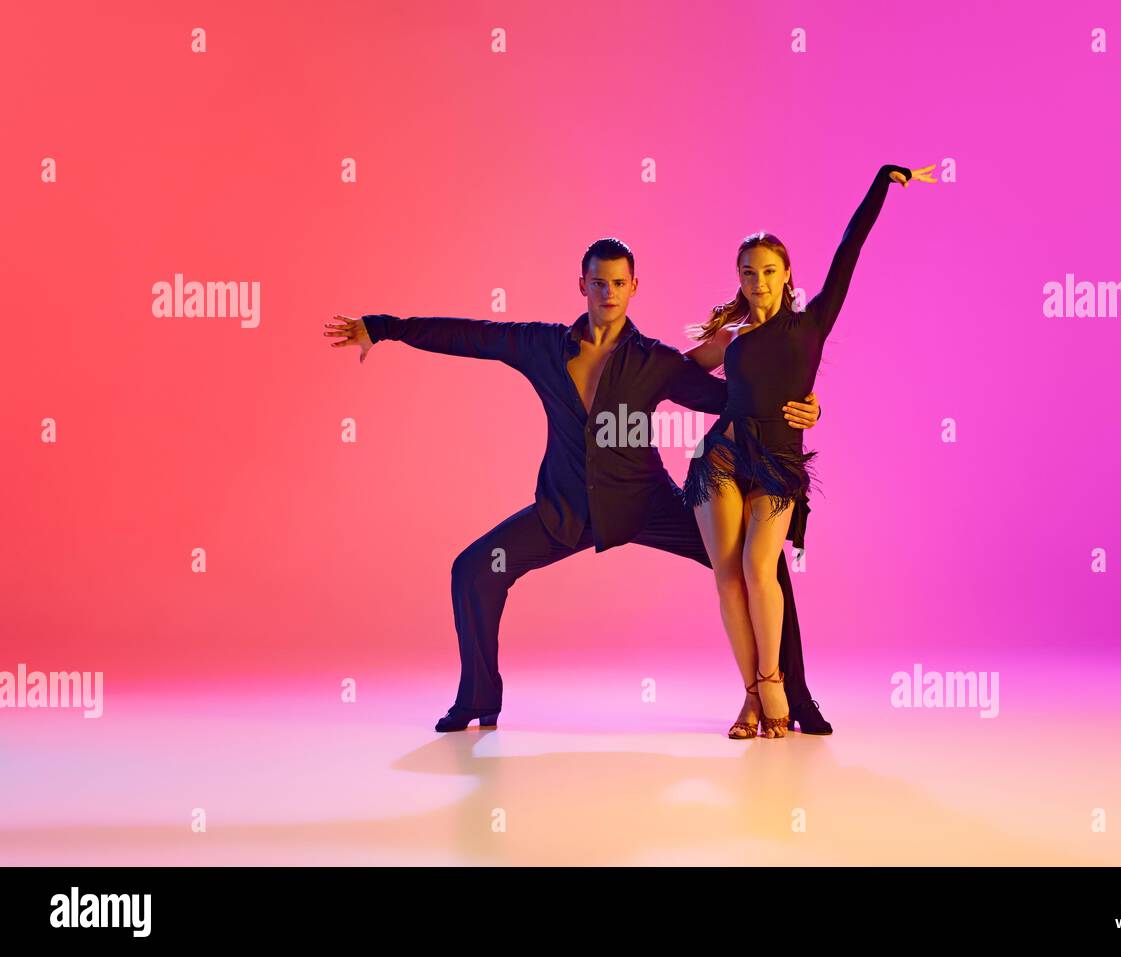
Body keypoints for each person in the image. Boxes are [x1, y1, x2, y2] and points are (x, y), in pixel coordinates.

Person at [324, 238, 837, 733]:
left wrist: (800, 409)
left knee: (761, 568)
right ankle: (478, 695)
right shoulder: (542, 345)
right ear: (582, 285)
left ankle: (794, 696)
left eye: (618, 282)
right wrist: (382, 327)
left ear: (634, 286)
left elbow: (734, 398)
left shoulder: (654, 362)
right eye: (598, 283)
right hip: (565, 510)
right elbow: (470, 335)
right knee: (474, 569)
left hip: (647, 506)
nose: (608, 293)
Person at [682, 163, 936, 738]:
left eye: (769, 271)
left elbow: (851, 249)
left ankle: (772, 682)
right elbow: (677, 374)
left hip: (776, 461)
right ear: (739, 279)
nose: (759, 281)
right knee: (726, 574)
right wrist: (618, 363)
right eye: (749, 273)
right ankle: (749, 699)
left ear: (786, 273)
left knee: (758, 567)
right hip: (720, 457)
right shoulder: (732, 337)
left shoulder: (812, 322)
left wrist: (881, 183)